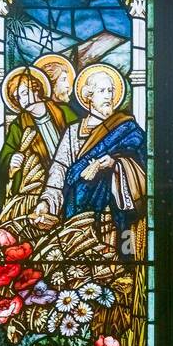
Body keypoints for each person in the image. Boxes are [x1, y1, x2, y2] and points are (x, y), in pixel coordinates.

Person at [33, 63, 146, 246]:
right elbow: (60, 169)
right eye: (102, 90)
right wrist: (47, 201)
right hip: (77, 214)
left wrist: (115, 164)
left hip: (115, 216)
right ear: (89, 97)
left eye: (111, 90)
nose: (108, 95)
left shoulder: (127, 128)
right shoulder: (73, 131)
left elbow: (146, 167)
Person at [0, 64, 76, 217]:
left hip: (74, 181)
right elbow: (0, 168)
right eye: (17, 97)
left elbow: (87, 142)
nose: (22, 100)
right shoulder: (18, 126)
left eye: (24, 93)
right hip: (40, 191)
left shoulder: (65, 112)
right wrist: (11, 162)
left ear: (36, 88)